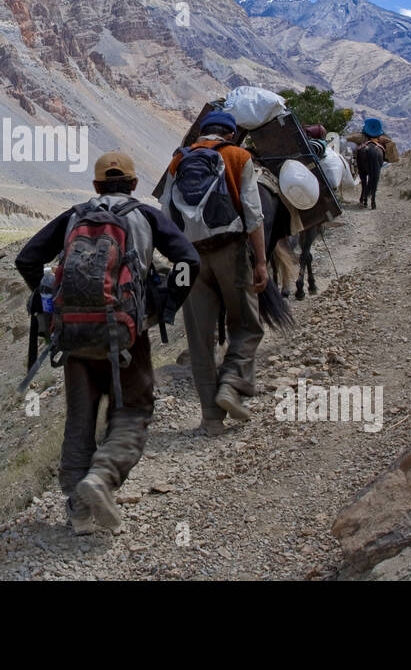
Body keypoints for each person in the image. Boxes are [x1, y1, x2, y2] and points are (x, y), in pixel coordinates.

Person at [16, 151, 199, 535]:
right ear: (133, 184)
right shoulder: (147, 215)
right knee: (132, 411)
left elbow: (27, 259)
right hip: (126, 335)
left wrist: (56, 303)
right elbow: (188, 261)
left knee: (79, 421)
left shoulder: (75, 215)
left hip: (74, 337)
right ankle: (102, 477)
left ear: (96, 185)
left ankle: (78, 511)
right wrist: (166, 307)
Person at [160, 110, 268, 436]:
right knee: (247, 325)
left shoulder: (178, 161)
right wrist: (261, 260)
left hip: (191, 259)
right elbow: (253, 213)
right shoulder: (238, 156)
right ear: (231, 134)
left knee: (199, 338)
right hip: (230, 251)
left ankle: (210, 418)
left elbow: (166, 213)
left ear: (201, 134)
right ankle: (232, 383)